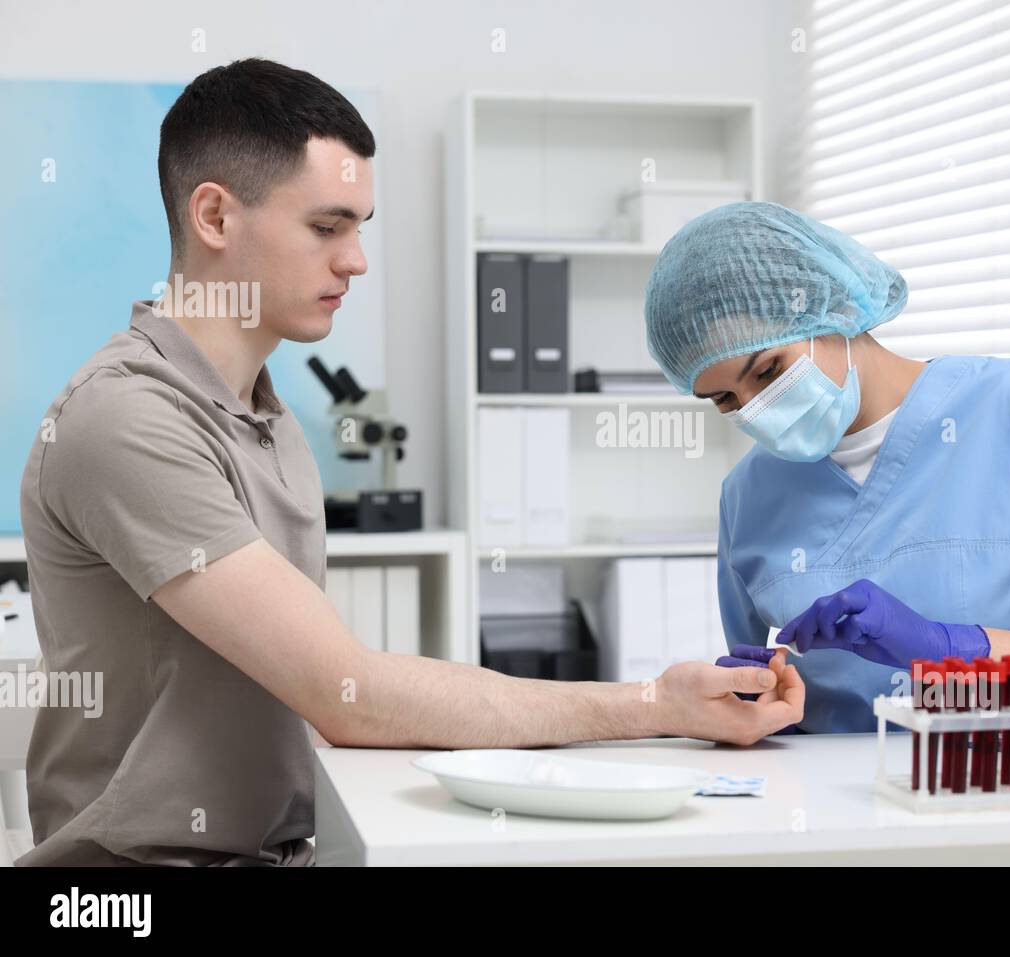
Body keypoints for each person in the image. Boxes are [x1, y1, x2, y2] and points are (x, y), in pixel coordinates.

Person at [16, 60, 802, 867]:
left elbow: (328, 696)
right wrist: (652, 703)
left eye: (361, 226)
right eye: (327, 227)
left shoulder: (266, 415)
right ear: (215, 215)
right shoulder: (127, 417)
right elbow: (343, 691)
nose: (356, 260)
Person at [643, 201, 1010, 733]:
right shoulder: (748, 494)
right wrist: (752, 697)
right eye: (724, 400)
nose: (755, 410)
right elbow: (770, 713)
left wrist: (953, 649)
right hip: (834, 830)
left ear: (831, 306)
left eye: (768, 371)